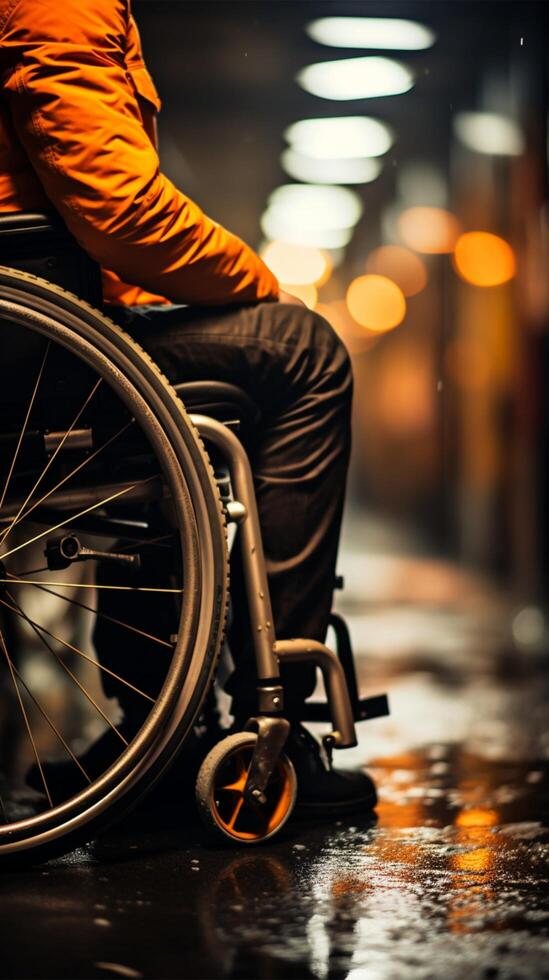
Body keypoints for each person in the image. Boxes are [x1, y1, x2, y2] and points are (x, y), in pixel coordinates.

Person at [0, 0, 376, 813]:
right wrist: (262, 289)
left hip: (27, 335)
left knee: (171, 424)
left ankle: (158, 740)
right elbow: (118, 208)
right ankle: (273, 724)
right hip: (28, 346)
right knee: (301, 352)